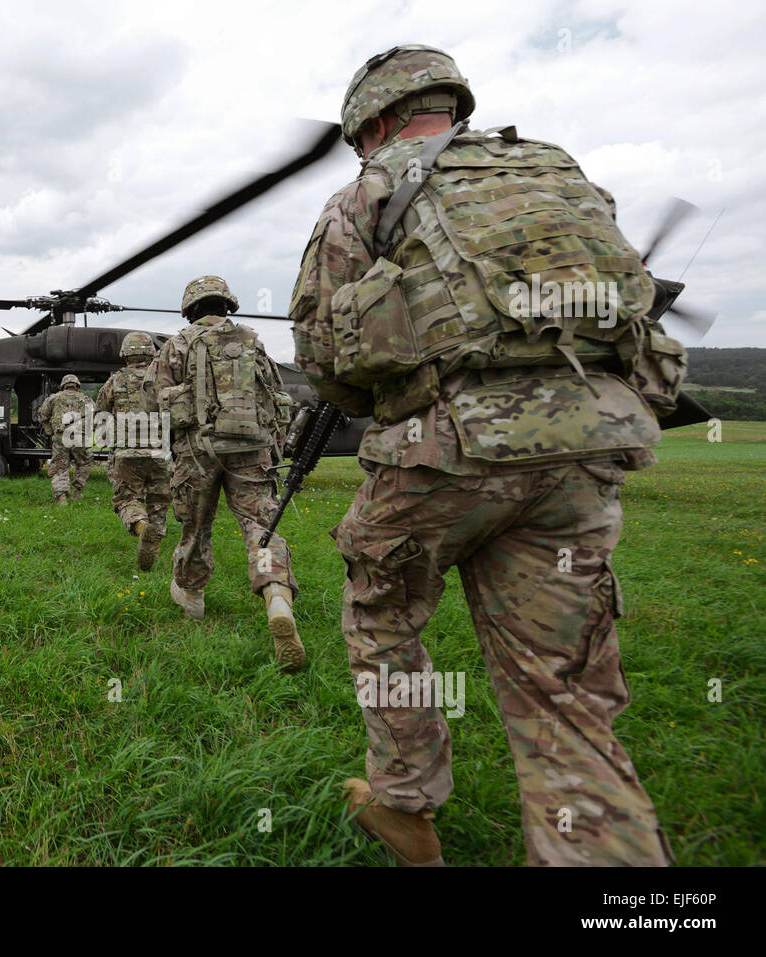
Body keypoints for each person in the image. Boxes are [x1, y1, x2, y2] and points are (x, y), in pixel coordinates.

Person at [291, 44, 679, 866]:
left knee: (384, 611)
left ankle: (402, 796)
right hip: (586, 446)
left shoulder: (369, 192)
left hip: (444, 451)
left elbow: (323, 357)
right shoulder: (558, 174)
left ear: (380, 121)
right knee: (562, 688)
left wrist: (386, 405)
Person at [147, 275, 305, 673]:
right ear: (227, 305)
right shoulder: (251, 339)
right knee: (260, 524)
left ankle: (192, 597)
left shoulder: (178, 344)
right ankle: (277, 596)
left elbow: (154, 398)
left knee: (196, 527)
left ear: (190, 308)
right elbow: (275, 393)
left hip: (197, 451)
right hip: (251, 449)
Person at [96, 331, 172, 570]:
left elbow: (100, 414)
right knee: (159, 500)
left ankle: (140, 526)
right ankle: (154, 544)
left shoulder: (116, 381)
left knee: (126, 498)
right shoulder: (163, 380)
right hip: (161, 452)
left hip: (127, 452)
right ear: (151, 353)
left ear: (125, 354)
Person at [36, 374, 94, 506]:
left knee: (59, 466)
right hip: (79, 437)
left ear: (63, 386)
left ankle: (61, 497)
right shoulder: (86, 400)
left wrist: (50, 431)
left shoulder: (54, 398)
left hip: (60, 437)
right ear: (77, 387)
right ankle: (77, 492)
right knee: (85, 462)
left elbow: (42, 416)